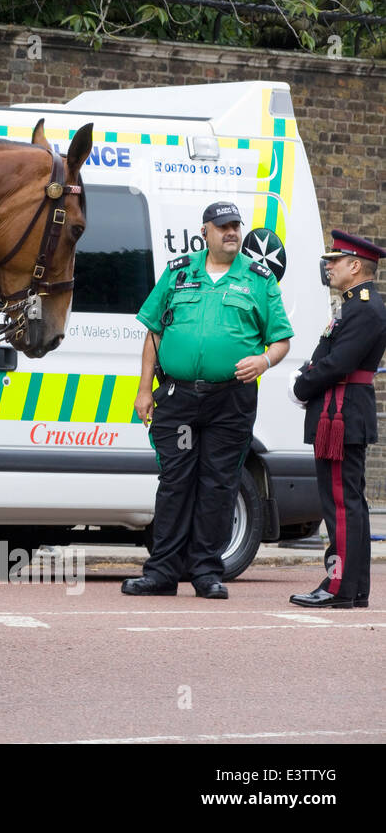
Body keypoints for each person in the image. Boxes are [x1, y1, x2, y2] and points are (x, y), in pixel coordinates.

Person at [124, 201, 293, 598]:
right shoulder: (179, 272)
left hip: (229, 402)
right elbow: (152, 333)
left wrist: (265, 360)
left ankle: (205, 572)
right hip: (179, 398)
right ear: (206, 232)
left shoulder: (258, 279)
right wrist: (143, 389)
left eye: (236, 225)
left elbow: (282, 338)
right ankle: (162, 573)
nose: (232, 232)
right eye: (223, 227)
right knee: (175, 482)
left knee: (218, 484)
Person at [288, 230, 386, 608]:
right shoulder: (352, 304)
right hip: (339, 409)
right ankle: (354, 587)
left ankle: (338, 586)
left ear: (356, 265)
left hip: (341, 412)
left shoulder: (364, 308)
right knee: (348, 503)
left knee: (341, 505)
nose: (328, 266)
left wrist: (302, 387)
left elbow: (339, 362)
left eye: (336, 260)